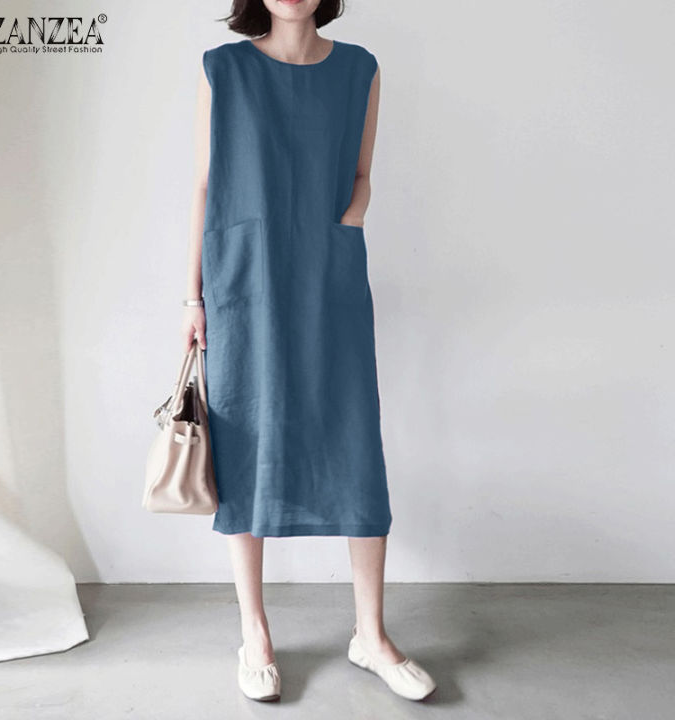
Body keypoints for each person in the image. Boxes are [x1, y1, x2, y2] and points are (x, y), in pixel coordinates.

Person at [182, 0, 437, 702]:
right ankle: (255, 633)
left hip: (330, 276)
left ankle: (370, 635)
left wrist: (345, 223)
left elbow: (362, 173)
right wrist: (191, 298)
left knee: (354, 439)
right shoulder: (224, 69)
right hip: (245, 282)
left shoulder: (359, 69)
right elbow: (205, 184)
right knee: (246, 439)